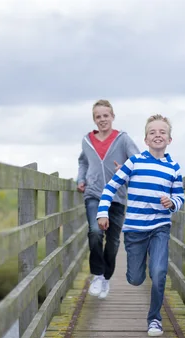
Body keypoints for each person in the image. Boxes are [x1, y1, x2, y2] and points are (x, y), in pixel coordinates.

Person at [96, 114, 185, 336]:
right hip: (135, 229)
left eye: (162, 132)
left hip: (160, 227)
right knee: (136, 279)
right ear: (146, 140)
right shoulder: (134, 162)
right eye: (152, 132)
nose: (158, 135)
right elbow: (110, 187)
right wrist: (102, 211)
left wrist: (172, 203)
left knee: (159, 271)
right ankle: (139, 268)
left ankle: (154, 319)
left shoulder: (174, 168)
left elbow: (180, 198)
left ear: (169, 139)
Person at [77, 99, 140, 299]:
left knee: (112, 242)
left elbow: (136, 160)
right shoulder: (87, 140)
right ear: (94, 119)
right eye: (98, 116)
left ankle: (105, 278)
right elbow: (83, 162)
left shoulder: (123, 139)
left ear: (112, 116)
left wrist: (125, 169)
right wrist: (81, 179)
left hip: (117, 196)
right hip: (94, 194)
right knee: (95, 232)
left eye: (106, 115)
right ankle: (96, 274)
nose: (102, 119)